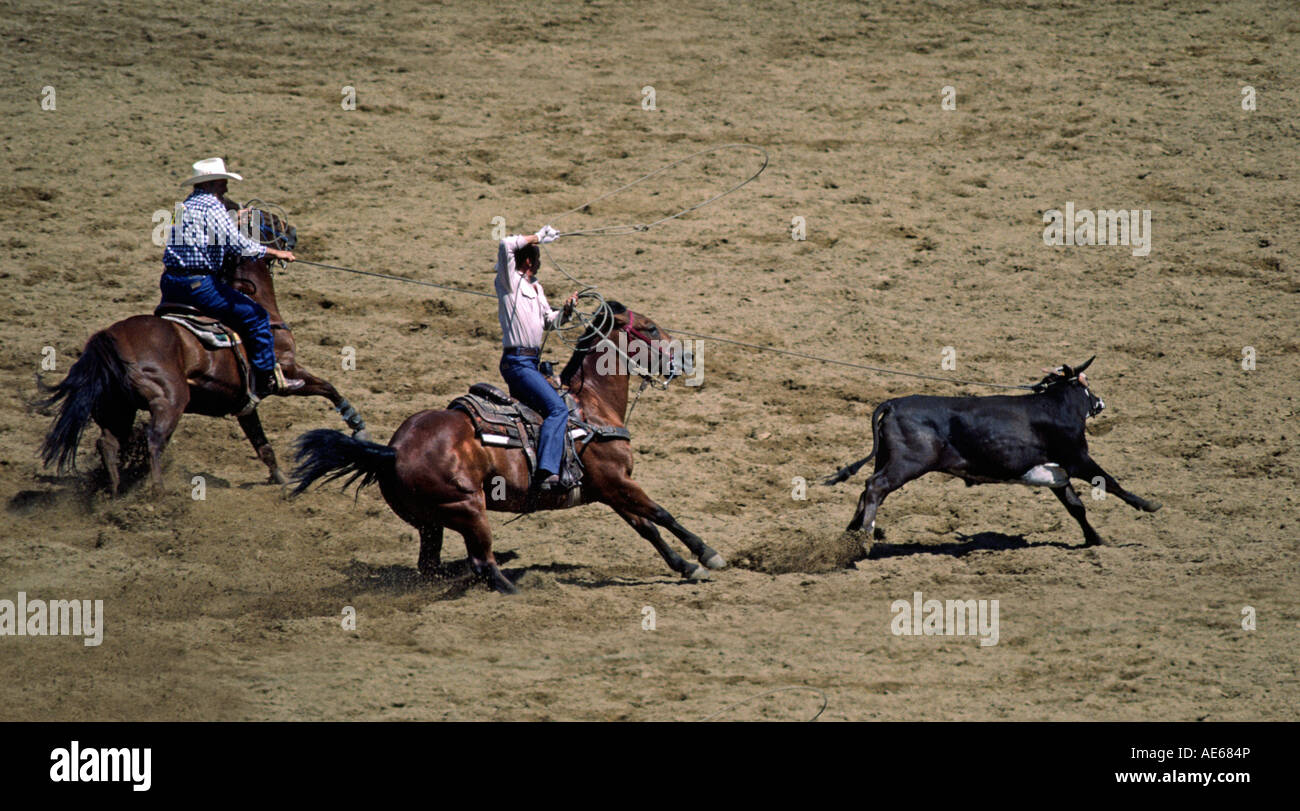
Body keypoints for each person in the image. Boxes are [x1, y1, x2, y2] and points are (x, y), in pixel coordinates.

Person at [161, 157, 300, 401]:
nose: (226, 186)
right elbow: (236, 245)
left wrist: (231, 221)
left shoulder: (185, 205)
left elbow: (200, 232)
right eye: (223, 181)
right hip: (198, 285)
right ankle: (268, 377)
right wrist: (275, 252)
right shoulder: (213, 206)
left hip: (171, 283)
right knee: (256, 317)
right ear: (213, 182)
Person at [495, 225, 578, 504]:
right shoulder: (508, 280)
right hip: (517, 363)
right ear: (529, 260)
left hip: (529, 361)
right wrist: (537, 237)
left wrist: (565, 312)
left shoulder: (535, 288)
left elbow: (549, 322)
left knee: (550, 408)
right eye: (538, 256)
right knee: (557, 409)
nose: (540, 262)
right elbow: (506, 243)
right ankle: (547, 472)